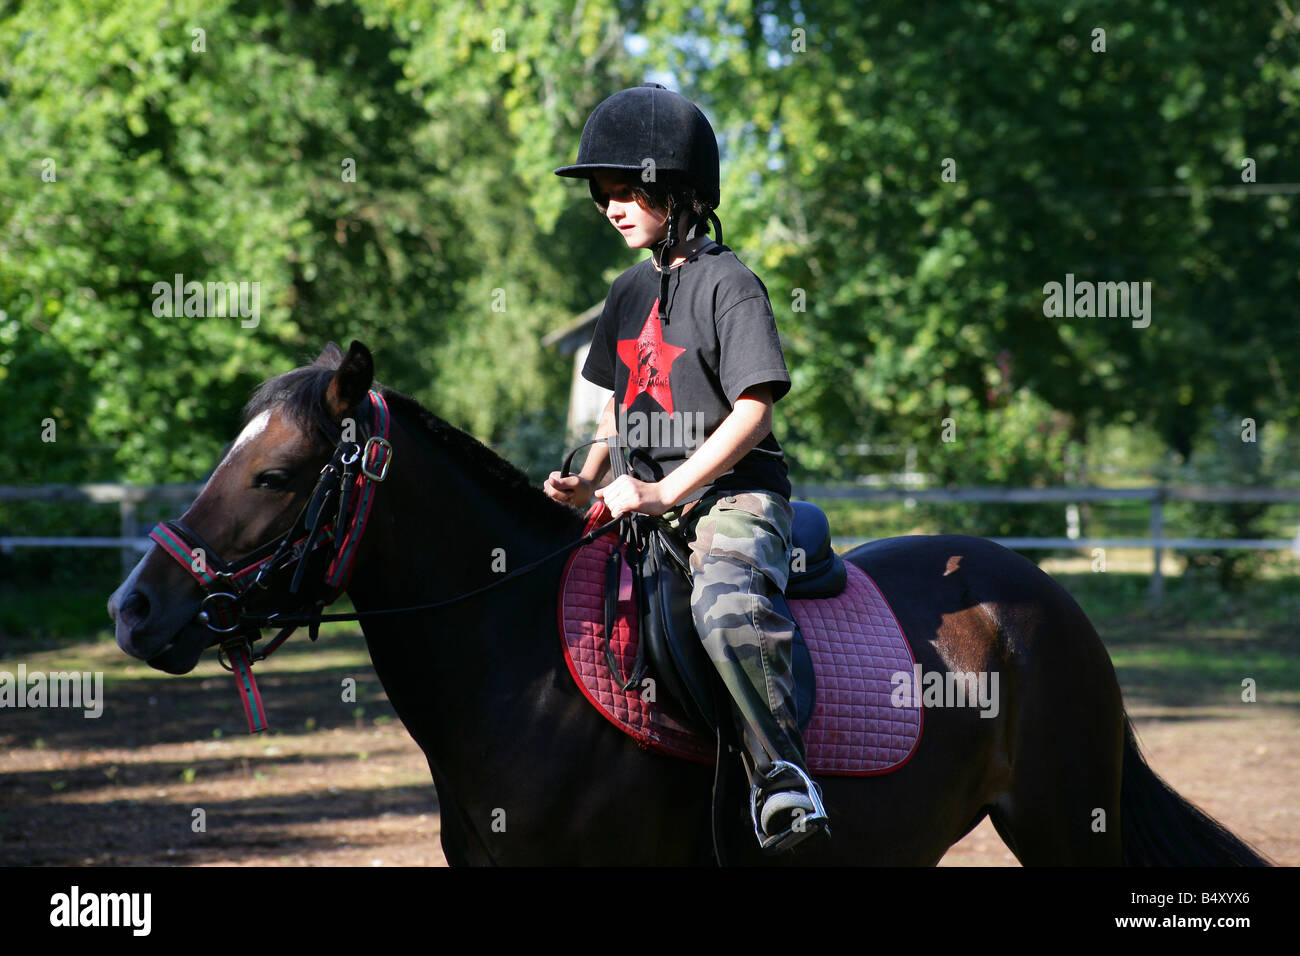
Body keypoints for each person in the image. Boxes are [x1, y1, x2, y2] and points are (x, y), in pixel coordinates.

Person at [543, 83, 828, 852]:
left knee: (725, 607)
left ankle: (783, 781)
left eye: (627, 191)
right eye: (602, 196)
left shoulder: (731, 285)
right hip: (639, 500)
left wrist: (669, 488)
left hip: (733, 500)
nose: (611, 207)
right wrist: (589, 474)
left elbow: (754, 409)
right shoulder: (626, 292)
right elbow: (617, 406)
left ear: (678, 191)